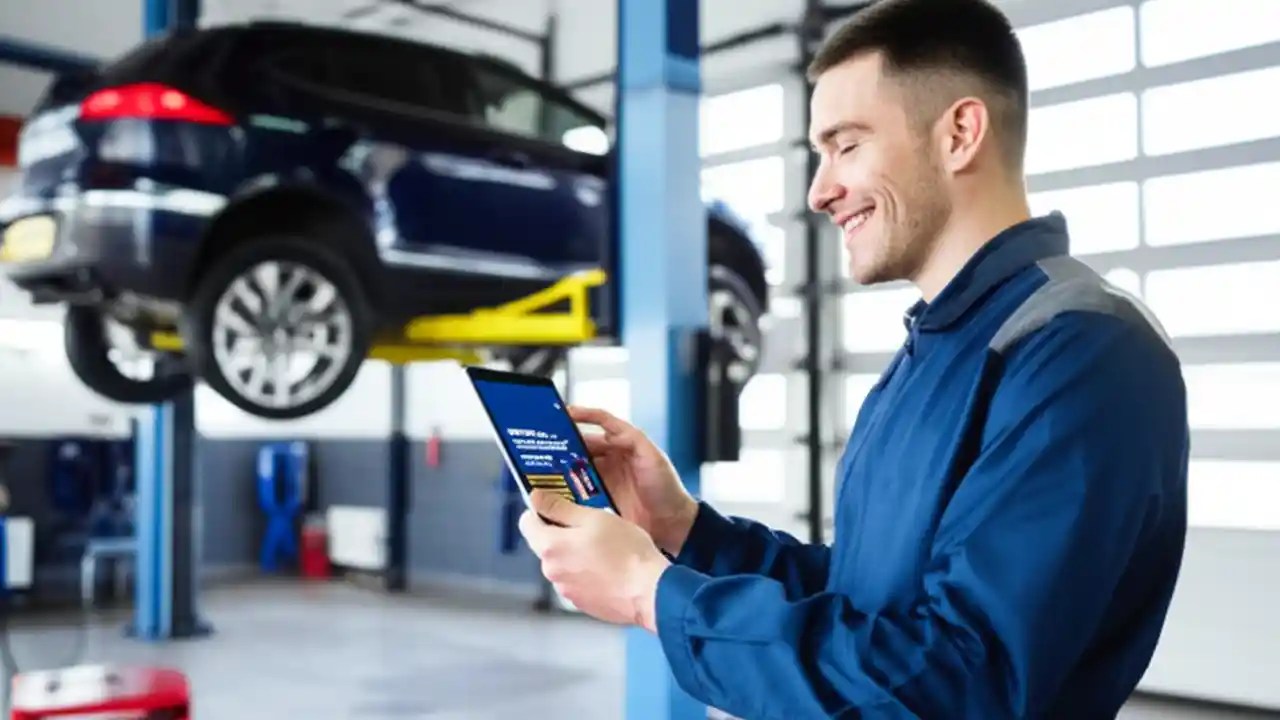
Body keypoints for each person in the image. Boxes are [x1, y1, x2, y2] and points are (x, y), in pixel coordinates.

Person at [518, 0, 1189, 716]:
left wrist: (647, 592)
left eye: (846, 144)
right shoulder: (935, 350)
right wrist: (683, 529)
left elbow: (962, 683)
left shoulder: (1081, 353)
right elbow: (863, 598)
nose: (819, 189)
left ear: (960, 133)